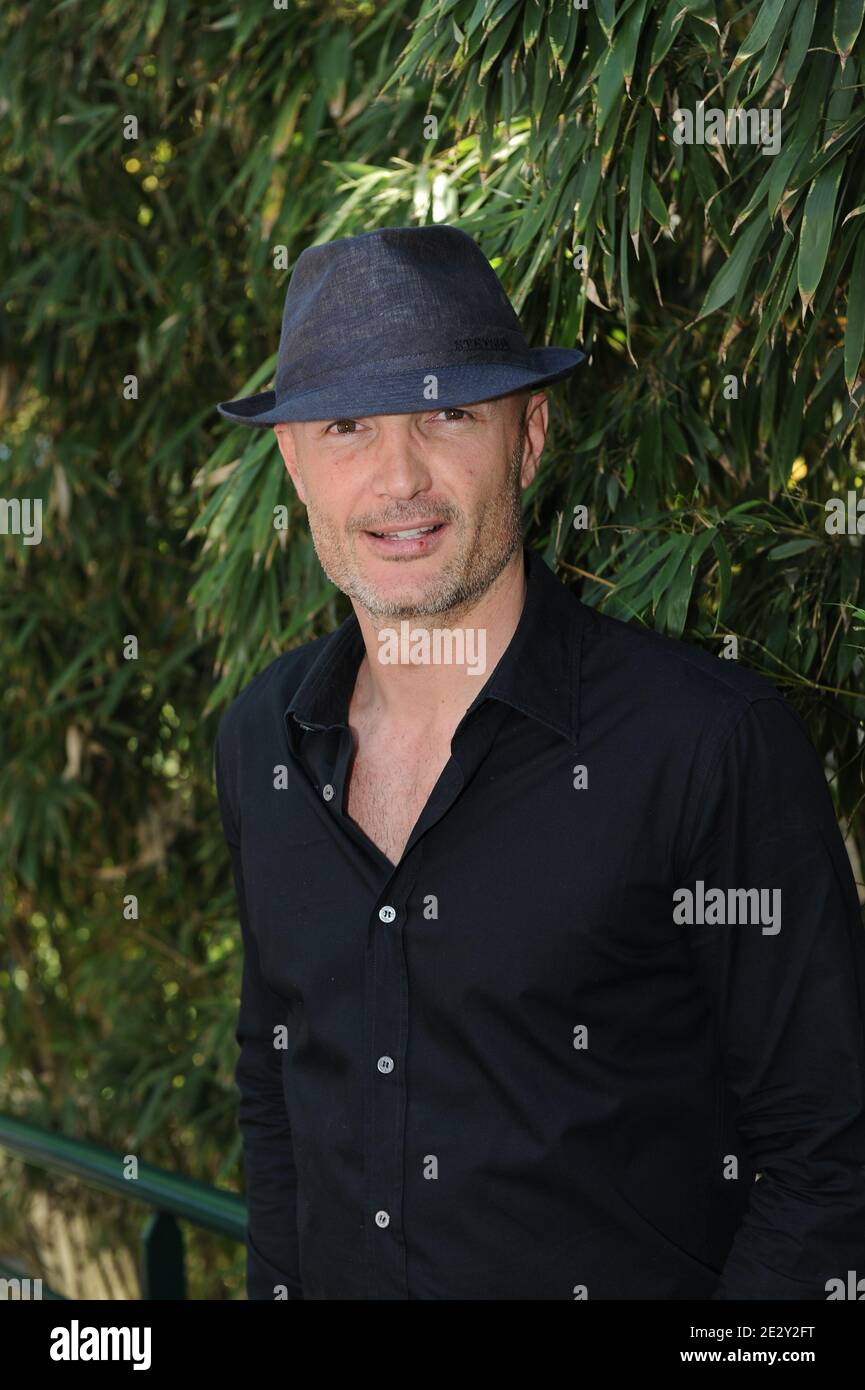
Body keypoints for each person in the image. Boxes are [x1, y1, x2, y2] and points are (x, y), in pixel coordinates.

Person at [213, 224, 865, 1300]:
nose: (399, 478)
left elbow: (831, 1156)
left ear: (528, 436)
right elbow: (276, 1093)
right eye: (347, 427)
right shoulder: (259, 743)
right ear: (292, 463)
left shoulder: (705, 746)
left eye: (449, 415)